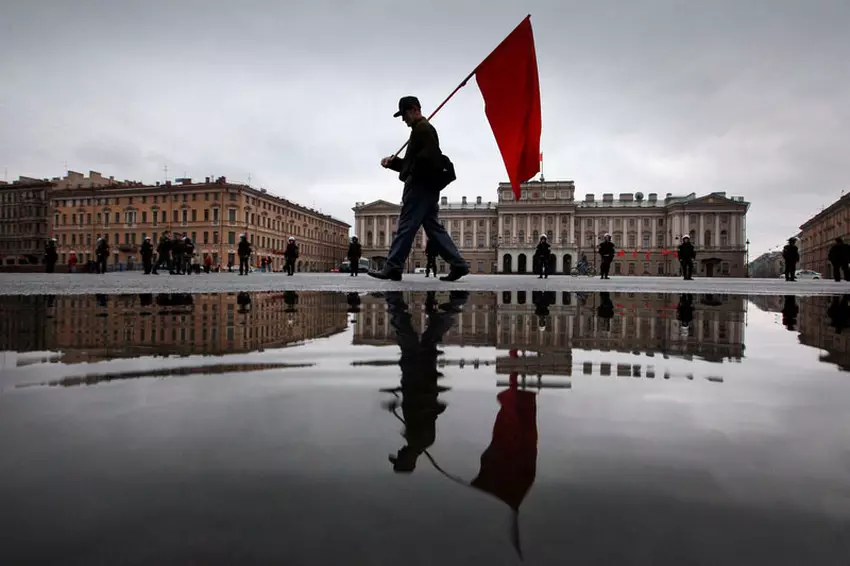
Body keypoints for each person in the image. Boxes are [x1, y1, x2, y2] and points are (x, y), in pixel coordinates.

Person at [370, 95, 468, 282]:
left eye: (404, 114)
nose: (403, 120)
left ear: (414, 109)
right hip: (427, 188)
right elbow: (413, 163)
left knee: (406, 226)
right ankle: (459, 264)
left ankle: (393, 266)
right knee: (433, 228)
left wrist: (412, 175)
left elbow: (430, 158)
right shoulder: (420, 129)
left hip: (419, 188)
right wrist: (394, 163)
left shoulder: (422, 129)